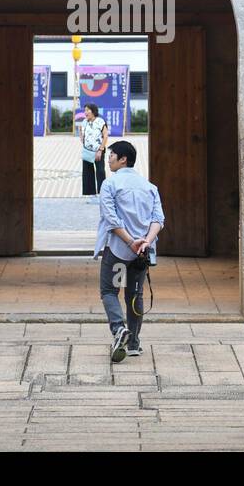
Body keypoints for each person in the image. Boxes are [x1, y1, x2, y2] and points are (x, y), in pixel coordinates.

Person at [94, 140, 164, 362]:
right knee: (135, 294)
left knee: (109, 291)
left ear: (123, 159)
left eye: (111, 155)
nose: (109, 158)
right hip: (141, 254)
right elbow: (158, 220)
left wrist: (130, 241)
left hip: (118, 251)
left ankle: (118, 329)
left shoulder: (110, 184)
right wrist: (145, 242)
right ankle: (133, 343)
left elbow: (111, 219)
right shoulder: (150, 187)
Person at [79, 103, 108, 199]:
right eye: (85, 110)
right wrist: (82, 138)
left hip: (98, 151)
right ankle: (91, 194)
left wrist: (101, 149)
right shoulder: (84, 122)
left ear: (93, 111)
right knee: (87, 172)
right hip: (87, 151)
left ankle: (102, 194)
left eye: (88, 110)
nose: (85, 112)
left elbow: (105, 136)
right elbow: (81, 131)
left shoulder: (100, 121)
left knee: (100, 171)